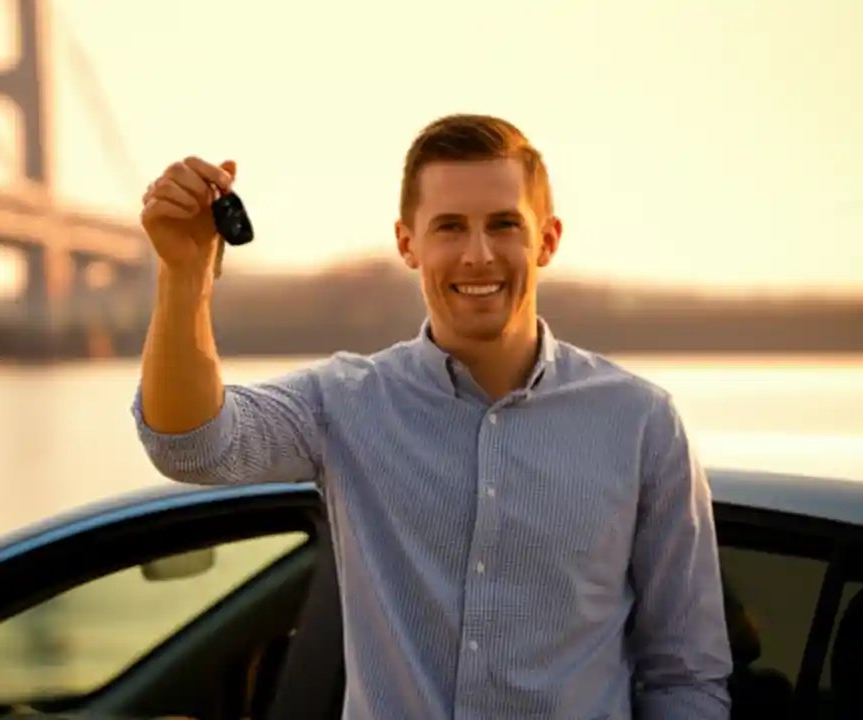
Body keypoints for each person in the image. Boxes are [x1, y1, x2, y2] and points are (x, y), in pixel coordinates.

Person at [131, 114, 732, 719]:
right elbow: (194, 447)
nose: (478, 255)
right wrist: (184, 276)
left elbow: (685, 676)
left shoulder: (640, 424)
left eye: (504, 225)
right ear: (407, 243)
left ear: (546, 240)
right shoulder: (345, 403)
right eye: (449, 227)